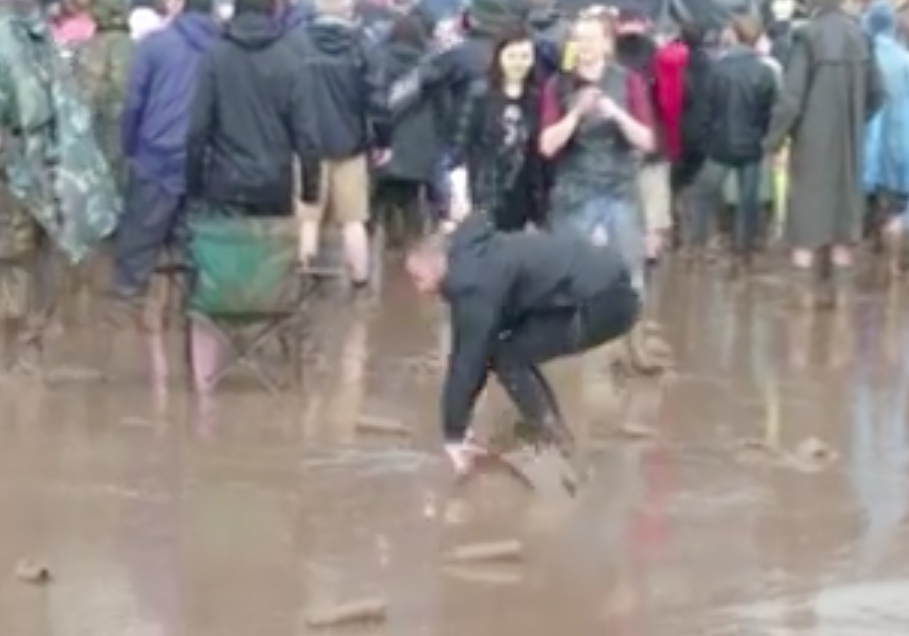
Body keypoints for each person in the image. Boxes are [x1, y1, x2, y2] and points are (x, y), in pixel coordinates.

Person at [405, 212, 640, 475]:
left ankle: (554, 444)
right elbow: (479, 350)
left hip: (602, 302)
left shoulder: (473, 282)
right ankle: (550, 433)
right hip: (607, 286)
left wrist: (453, 435)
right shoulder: (478, 255)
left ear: (438, 262)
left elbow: (467, 361)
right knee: (507, 352)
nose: (419, 289)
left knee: (508, 358)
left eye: (418, 278)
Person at [183, 0, 318, 391]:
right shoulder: (291, 60)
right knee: (267, 273)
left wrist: (193, 185)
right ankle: (262, 364)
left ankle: (206, 383)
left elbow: (196, 132)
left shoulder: (214, 58)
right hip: (274, 187)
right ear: (274, 10)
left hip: (222, 184)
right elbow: (307, 138)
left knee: (215, 274)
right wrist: (309, 190)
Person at [764, 0, 883, 308]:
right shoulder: (860, 36)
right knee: (843, 235)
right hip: (849, 145)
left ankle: (802, 331)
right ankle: (838, 324)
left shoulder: (808, 36)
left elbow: (791, 100)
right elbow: (878, 94)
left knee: (805, 232)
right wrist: (855, 120)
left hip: (811, 147)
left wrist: (772, 142)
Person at [113, 0, 219, 327]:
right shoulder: (224, 47)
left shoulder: (155, 46)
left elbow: (133, 104)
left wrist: (130, 147)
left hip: (155, 157)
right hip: (206, 160)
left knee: (136, 252)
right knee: (198, 250)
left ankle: (128, 332)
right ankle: (193, 326)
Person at [539, 7, 654, 290]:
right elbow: (546, 147)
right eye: (578, 40)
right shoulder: (558, 84)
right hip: (574, 193)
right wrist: (575, 114)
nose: (584, 46)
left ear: (606, 44)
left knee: (628, 279)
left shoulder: (629, 81)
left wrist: (617, 114)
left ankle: (629, 330)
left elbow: (647, 141)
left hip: (620, 192)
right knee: (569, 278)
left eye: (591, 39)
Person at [289, 0, 390, 289]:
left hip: (307, 146)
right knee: (353, 219)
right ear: (349, 9)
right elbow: (377, 99)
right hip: (351, 145)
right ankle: (359, 280)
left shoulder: (297, 42)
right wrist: (383, 139)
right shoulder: (363, 44)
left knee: (308, 217)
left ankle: (303, 280)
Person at [689, 15, 778, 272]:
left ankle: (698, 245)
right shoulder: (765, 71)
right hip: (752, 145)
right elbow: (770, 111)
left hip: (720, 144)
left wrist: (706, 139)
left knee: (702, 194)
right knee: (747, 202)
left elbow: (707, 109)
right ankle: (743, 253)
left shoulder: (717, 69)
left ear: (735, 35)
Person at [450, 27, 546, 231]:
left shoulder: (536, 98)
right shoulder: (480, 93)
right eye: (512, 56)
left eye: (524, 56)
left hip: (523, 193)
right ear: (499, 57)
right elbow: (461, 142)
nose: (518, 63)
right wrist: (459, 190)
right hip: (484, 189)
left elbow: (537, 152)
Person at [862, 0, 909, 276]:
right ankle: (895, 256)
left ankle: (876, 244)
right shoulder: (904, 59)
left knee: (874, 195)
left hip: (869, 137)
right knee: (896, 196)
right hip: (900, 136)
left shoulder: (864, 56)